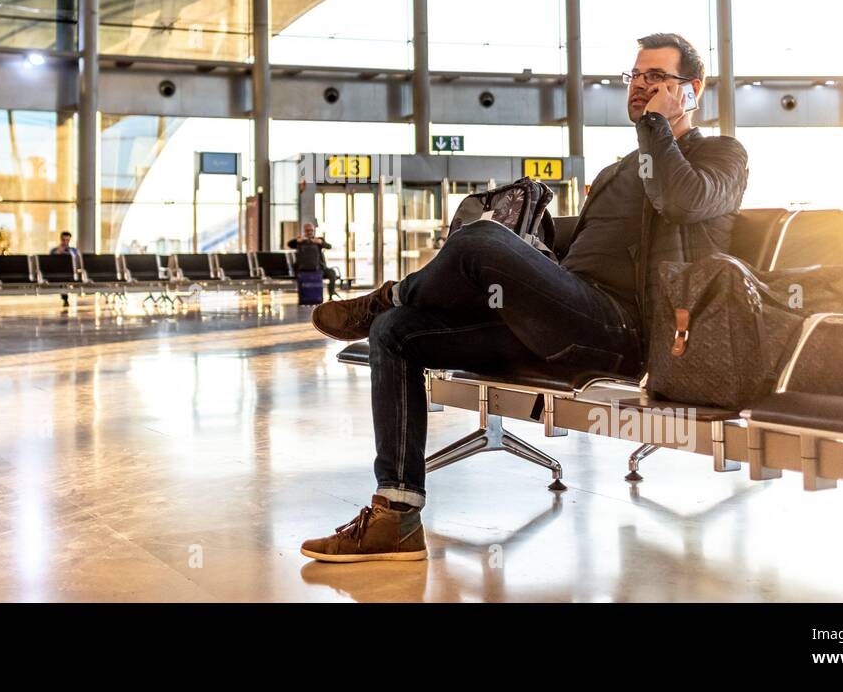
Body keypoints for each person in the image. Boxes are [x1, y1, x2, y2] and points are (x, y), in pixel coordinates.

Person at [300, 33, 749, 562]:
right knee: (397, 332)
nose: (641, 87)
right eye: (635, 77)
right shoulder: (616, 171)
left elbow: (681, 198)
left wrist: (656, 126)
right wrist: (522, 229)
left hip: (622, 332)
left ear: (692, 90)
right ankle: (395, 516)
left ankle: (389, 295)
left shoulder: (721, 155)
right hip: (562, 319)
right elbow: (575, 244)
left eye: (657, 78)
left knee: (481, 243)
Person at [288, 223, 336, 299]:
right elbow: (289, 244)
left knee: (332, 273)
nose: (310, 232)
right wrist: (297, 240)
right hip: (303, 269)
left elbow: (329, 246)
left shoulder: (318, 240)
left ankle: (331, 294)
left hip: (319, 268)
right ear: (304, 231)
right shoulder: (300, 241)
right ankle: (304, 296)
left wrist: (321, 242)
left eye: (311, 230)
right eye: (307, 231)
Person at [51, 231, 79, 309]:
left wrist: (69, 252)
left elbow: (77, 260)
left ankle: (65, 298)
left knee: (64, 281)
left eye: (67, 240)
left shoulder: (73, 250)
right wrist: (59, 252)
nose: (65, 242)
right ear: (61, 239)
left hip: (71, 272)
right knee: (62, 280)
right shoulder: (54, 250)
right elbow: (50, 261)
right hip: (59, 272)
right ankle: (65, 298)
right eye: (64, 240)